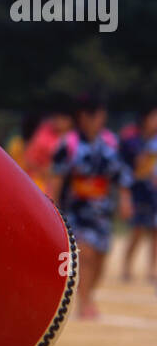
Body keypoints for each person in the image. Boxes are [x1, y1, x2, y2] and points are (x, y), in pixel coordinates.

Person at [49, 94, 131, 319]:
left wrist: (125, 201)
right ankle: (85, 302)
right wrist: (51, 207)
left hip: (102, 212)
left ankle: (88, 295)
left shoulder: (110, 143)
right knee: (85, 256)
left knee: (101, 257)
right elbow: (56, 177)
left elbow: (121, 175)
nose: (101, 120)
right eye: (98, 115)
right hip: (76, 211)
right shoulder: (69, 143)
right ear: (84, 117)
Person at [118, 105, 157, 282]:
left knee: (155, 231)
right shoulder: (133, 141)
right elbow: (128, 170)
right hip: (138, 192)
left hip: (153, 193)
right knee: (137, 230)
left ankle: (153, 268)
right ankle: (127, 264)